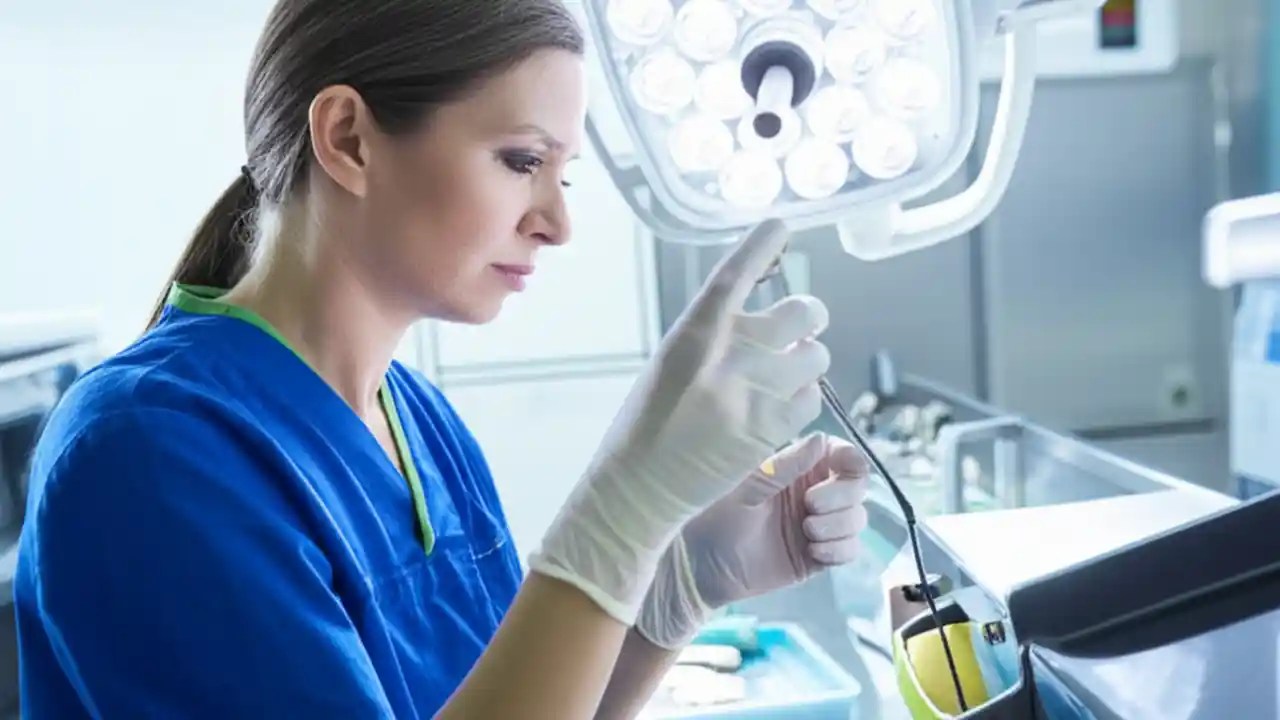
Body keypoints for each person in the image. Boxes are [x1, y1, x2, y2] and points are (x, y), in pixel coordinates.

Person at [14, 1, 870, 718]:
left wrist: (674, 587)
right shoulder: (145, 452)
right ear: (349, 137)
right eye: (521, 161)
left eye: (561, 177)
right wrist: (621, 516)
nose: (555, 222)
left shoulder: (418, 421)